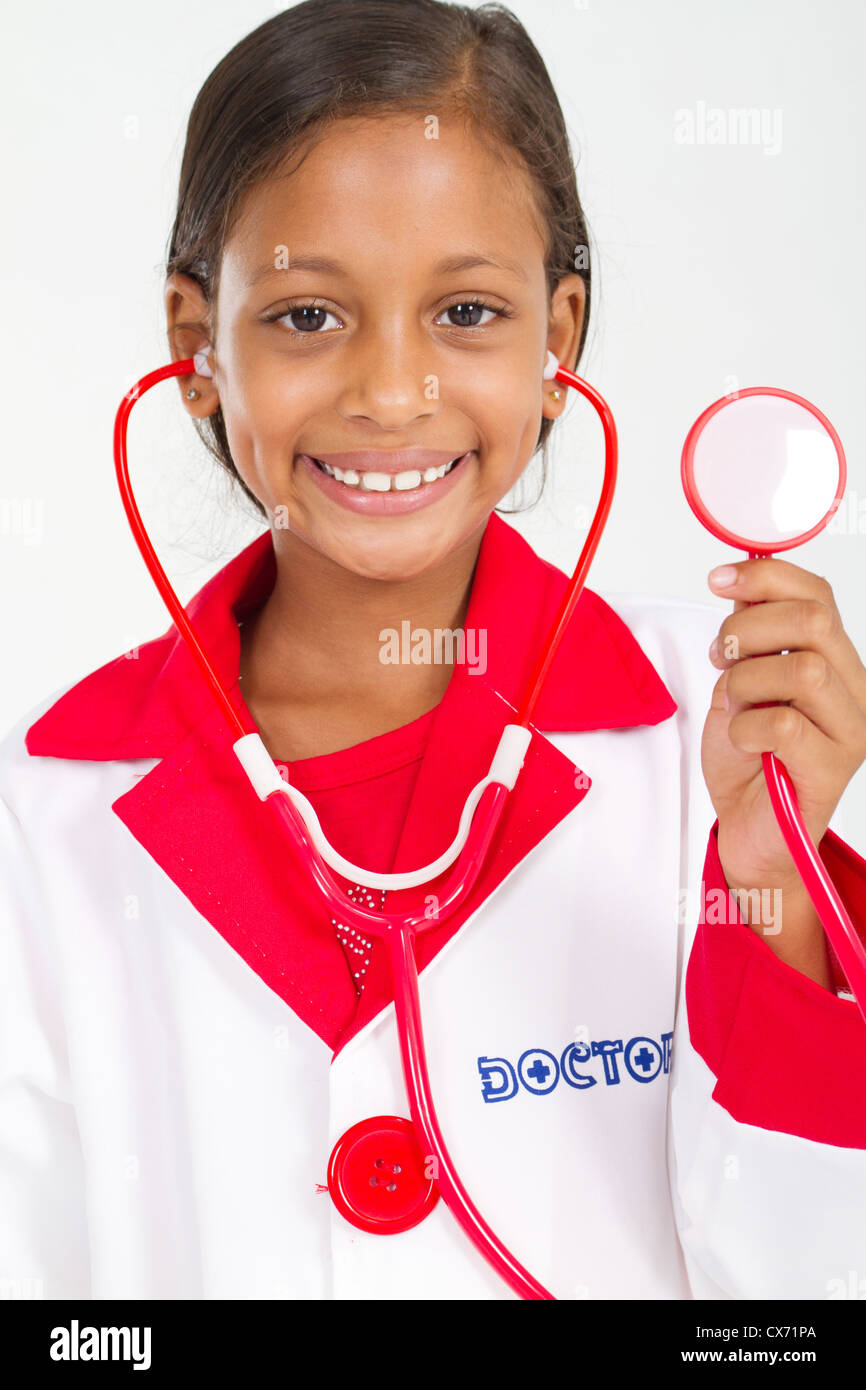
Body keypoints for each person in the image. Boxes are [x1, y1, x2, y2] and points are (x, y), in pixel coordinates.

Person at [1, 0, 865, 1301]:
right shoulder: (44, 816)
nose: (391, 391)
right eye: (304, 317)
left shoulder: (734, 732)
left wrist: (774, 886)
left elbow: (803, 1298)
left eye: (465, 310)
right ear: (195, 348)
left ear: (557, 337)